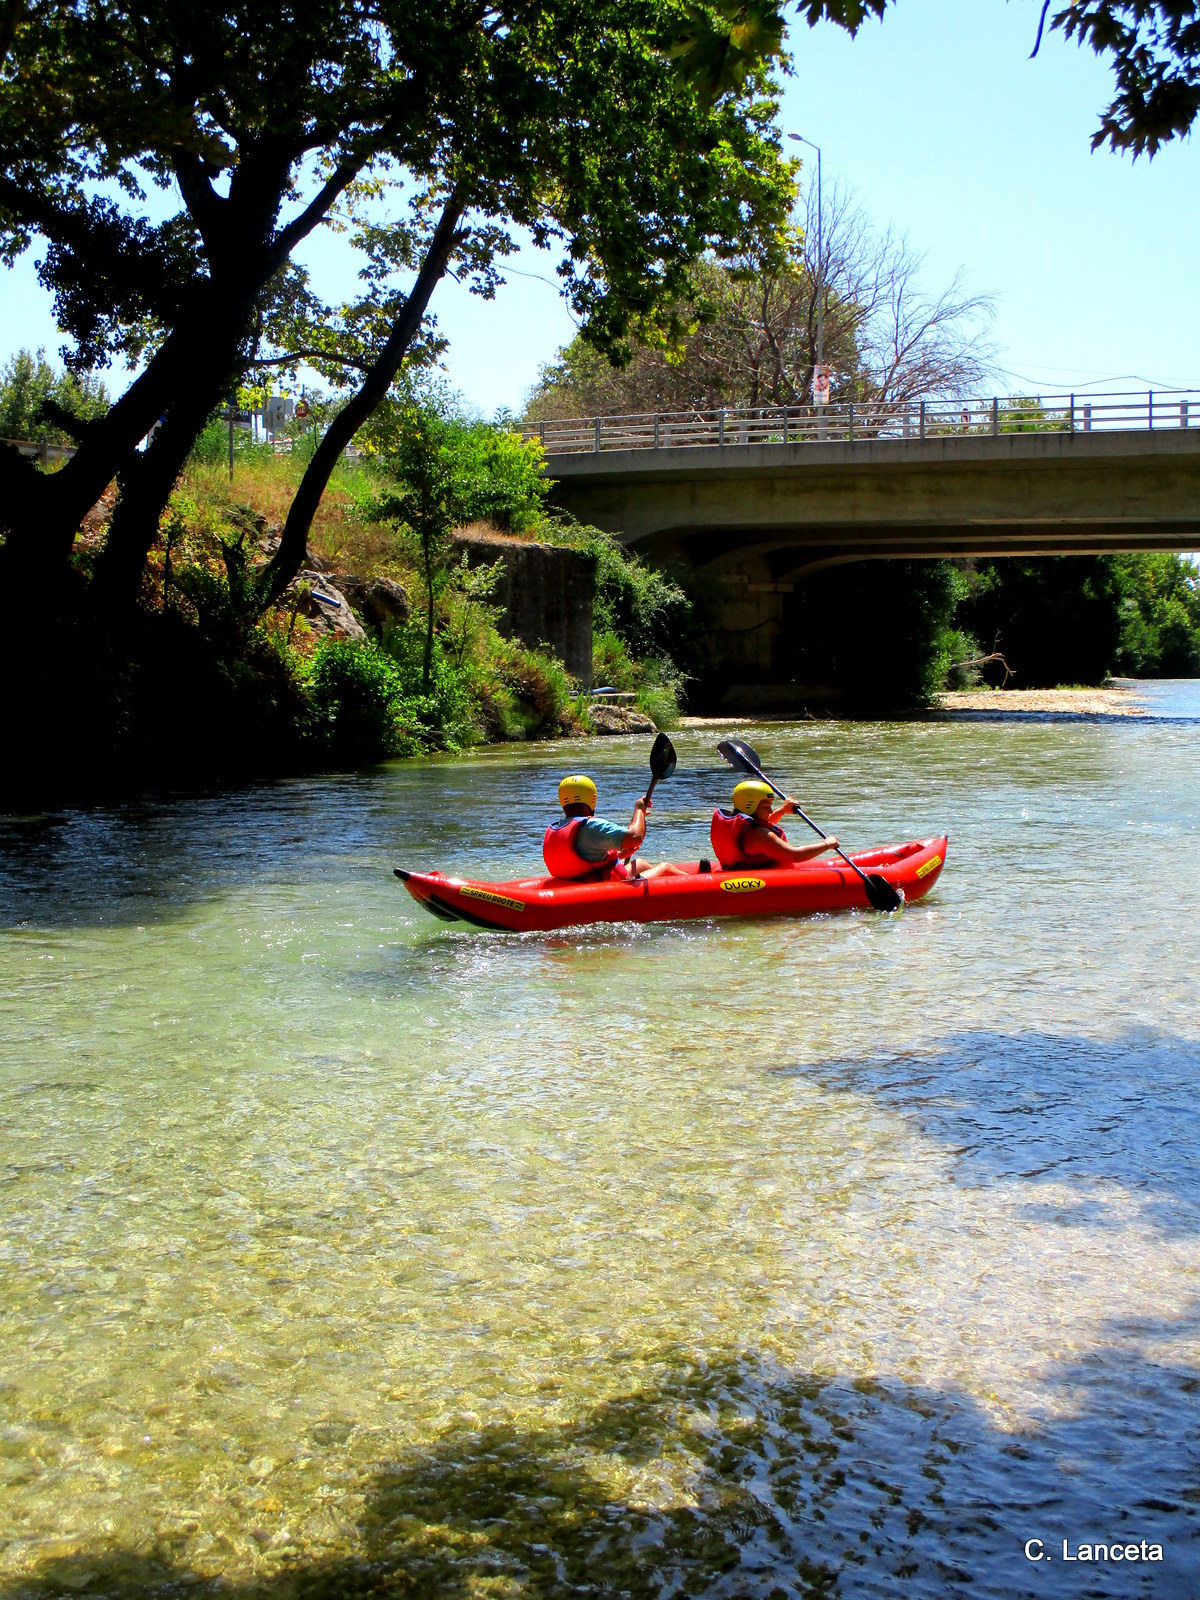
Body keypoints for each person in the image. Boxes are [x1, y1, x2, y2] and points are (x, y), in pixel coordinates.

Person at [543, 775, 686, 881]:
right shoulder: (591, 826)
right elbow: (635, 837)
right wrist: (639, 809)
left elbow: (579, 860)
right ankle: (703, 884)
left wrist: (619, 855)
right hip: (604, 888)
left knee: (640, 863)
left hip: (578, 884)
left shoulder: (554, 829)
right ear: (592, 798)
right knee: (665, 867)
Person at [710, 780, 840, 870]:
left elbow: (761, 827)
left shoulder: (745, 827)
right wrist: (827, 844)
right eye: (767, 806)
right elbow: (794, 855)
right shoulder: (758, 836)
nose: (771, 811)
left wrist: (782, 811)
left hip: (737, 870)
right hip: (763, 878)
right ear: (750, 805)